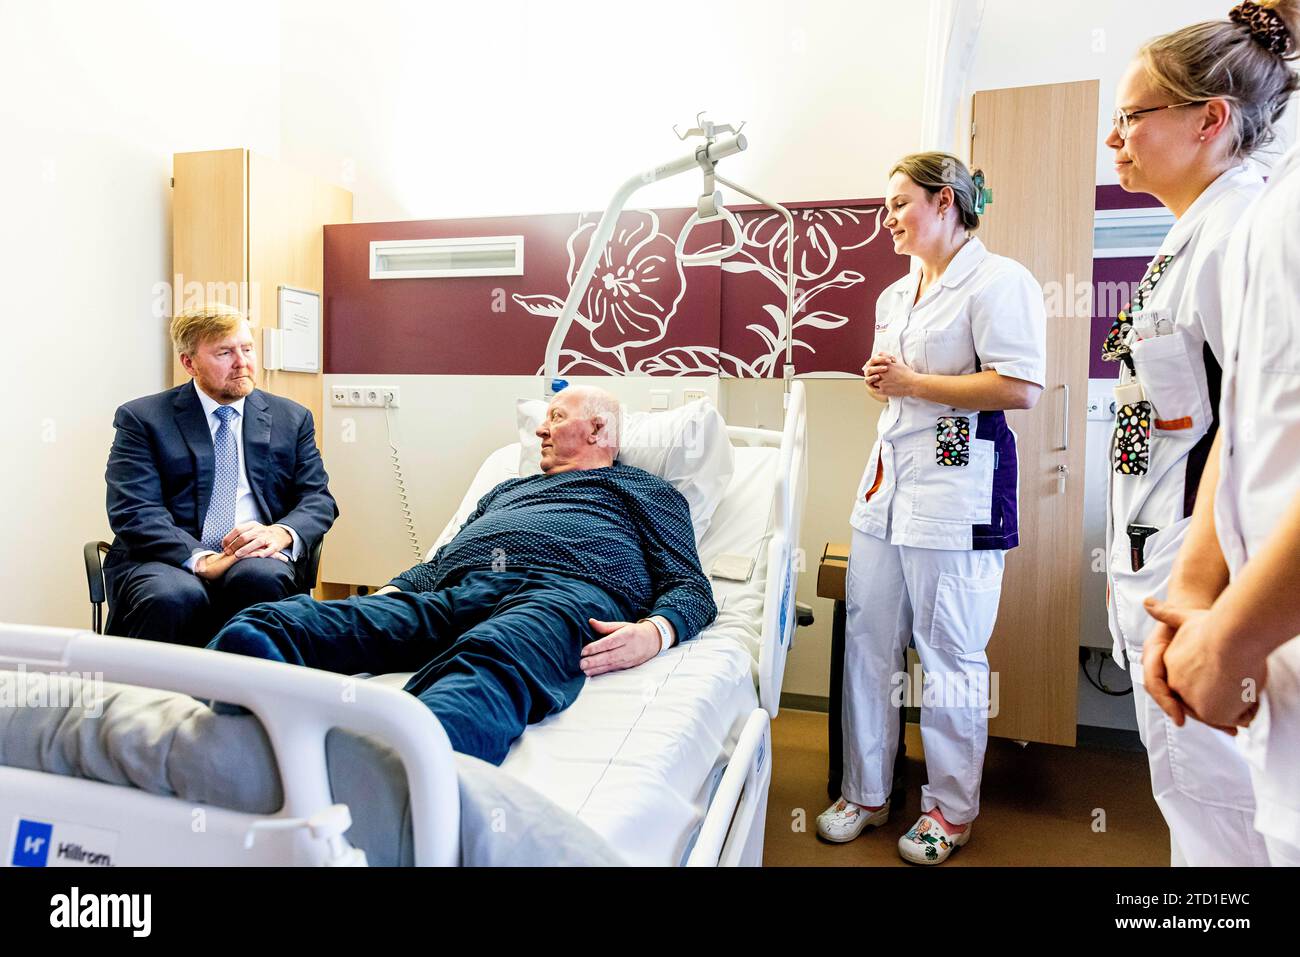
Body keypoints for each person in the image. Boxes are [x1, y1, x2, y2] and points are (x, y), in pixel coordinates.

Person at [208, 385, 718, 765]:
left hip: (565, 594)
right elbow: (440, 560)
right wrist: (388, 596)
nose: (541, 429)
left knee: (492, 657)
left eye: (556, 417)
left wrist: (654, 633)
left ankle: (396, 770)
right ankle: (222, 719)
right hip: (460, 589)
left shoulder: (645, 491)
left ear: (598, 431)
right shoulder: (505, 491)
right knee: (280, 622)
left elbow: (691, 587)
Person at [1098, 0, 1297, 867]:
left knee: (1225, 829)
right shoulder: (1195, 234)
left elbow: (1248, 431)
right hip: (1173, 580)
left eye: (1133, 118)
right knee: (1199, 815)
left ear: (1210, 119)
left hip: (1210, 599)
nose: (1116, 141)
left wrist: (1205, 608)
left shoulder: (1241, 229)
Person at [817, 153, 1046, 863]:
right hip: (888, 486)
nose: (886, 218)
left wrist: (913, 381)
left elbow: (1019, 387)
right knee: (869, 642)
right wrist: (888, 384)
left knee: (948, 653)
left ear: (945, 201)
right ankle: (866, 789)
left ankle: (950, 808)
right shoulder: (896, 294)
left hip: (957, 493)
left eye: (897, 203)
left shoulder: (1001, 280)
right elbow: (900, 388)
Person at [103, 304, 337, 646]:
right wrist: (201, 558)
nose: (242, 362)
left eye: (247, 348)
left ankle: (248, 697)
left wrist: (281, 533)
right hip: (166, 557)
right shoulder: (143, 419)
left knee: (260, 580)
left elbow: (317, 499)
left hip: (254, 555)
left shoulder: (292, 418)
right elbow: (134, 510)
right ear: (189, 363)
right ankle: (152, 698)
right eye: (225, 352)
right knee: (172, 596)